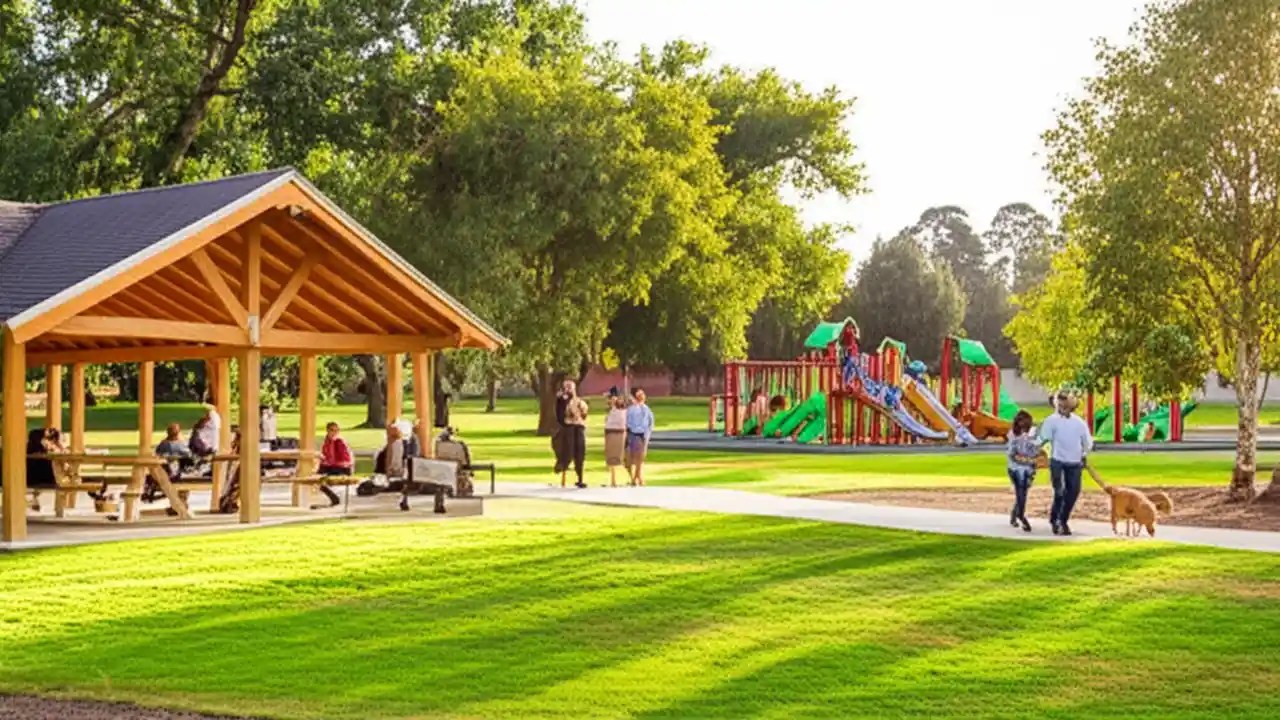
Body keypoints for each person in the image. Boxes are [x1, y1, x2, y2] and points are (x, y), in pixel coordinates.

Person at [1039, 391, 1094, 536]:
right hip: (1058, 461)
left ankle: (1062, 519)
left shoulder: (1079, 422)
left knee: (1074, 491)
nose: (1063, 407)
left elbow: (1087, 442)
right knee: (1060, 491)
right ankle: (1056, 521)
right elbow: (1043, 438)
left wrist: (1084, 454)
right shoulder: (1051, 421)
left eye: (1066, 404)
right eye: (1060, 404)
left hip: (1075, 462)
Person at [1006, 410, 1038, 533]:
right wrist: (1026, 459)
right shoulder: (1013, 435)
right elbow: (1012, 454)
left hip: (1029, 468)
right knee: (1021, 491)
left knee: (1022, 493)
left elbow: (1035, 450)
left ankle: (1015, 513)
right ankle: (1021, 516)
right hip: (1016, 468)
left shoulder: (1032, 435)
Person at [556, 380, 588, 488]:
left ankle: (580, 478)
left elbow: (584, 415)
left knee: (580, 453)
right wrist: (562, 400)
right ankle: (562, 467)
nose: (569, 390)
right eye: (566, 387)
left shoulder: (580, 402)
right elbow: (560, 415)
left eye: (570, 387)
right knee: (568, 451)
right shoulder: (561, 401)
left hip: (579, 427)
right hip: (568, 428)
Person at [316, 421, 353, 508]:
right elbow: (326, 456)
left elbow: (345, 460)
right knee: (318, 478)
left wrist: (326, 461)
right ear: (327, 431)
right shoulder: (327, 442)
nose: (334, 432)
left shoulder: (339, 442)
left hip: (342, 468)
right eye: (332, 430)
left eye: (336, 430)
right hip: (332, 466)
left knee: (320, 477)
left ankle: (334, 499)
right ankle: (334, 498)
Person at [625, 389, 655, 486]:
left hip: (638, 435)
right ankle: (637, 478)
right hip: (638, 435)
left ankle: (636, 478)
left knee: (637, 459)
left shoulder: (643, 409)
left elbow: (650, 422)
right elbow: (651, 423)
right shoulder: (636, 409)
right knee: (638, 459)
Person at [604, 394, 628, 487]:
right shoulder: (611, 412)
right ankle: (613, 480)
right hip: (610, 433)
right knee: (611, 458)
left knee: (618, 457)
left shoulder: (623, 412)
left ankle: (618, 479)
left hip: (618, 434)